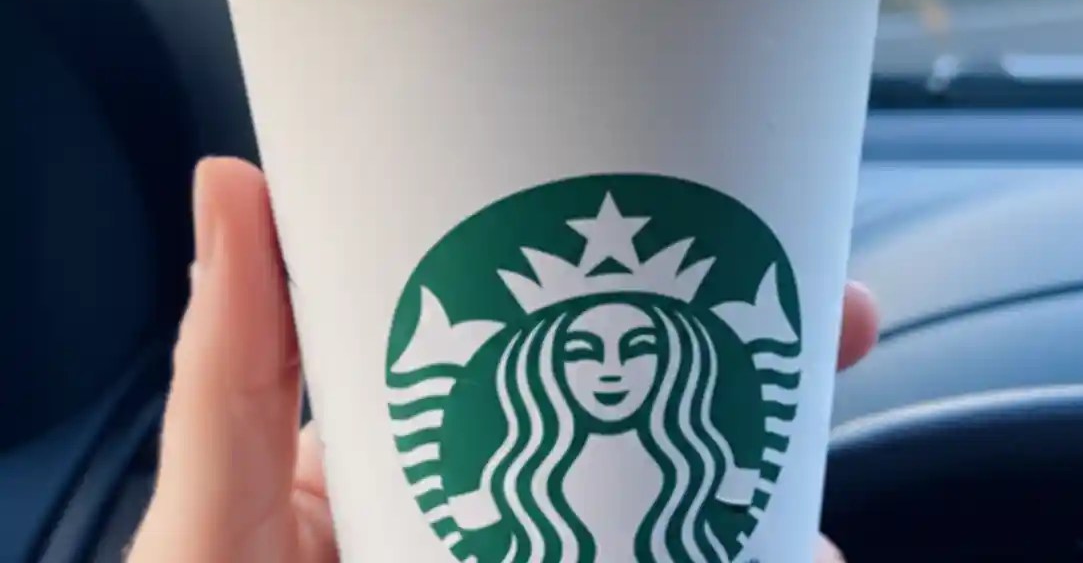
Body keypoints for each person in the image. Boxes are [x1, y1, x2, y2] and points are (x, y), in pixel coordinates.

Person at [126, 158, 881, 563]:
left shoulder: (710, 481)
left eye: (639, 347)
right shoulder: (501, 500)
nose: (611, 369)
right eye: (582, 350)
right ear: (542, 367)